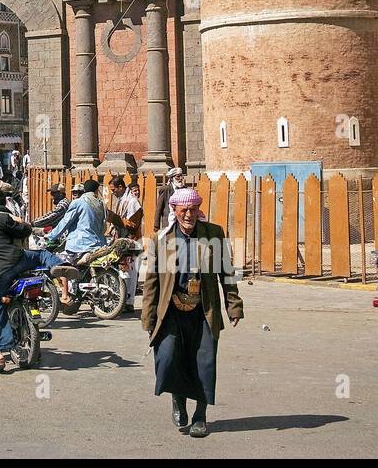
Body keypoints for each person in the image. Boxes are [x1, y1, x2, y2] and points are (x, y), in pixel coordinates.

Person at [141, 186, 243, 438]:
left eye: (194, 209)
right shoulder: (162, 240)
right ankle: (177, 399)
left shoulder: (213, 234)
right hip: (172, 310)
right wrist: (149, 317)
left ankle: (200, 416)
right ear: (174, 210)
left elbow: (226, 273)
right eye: (184, 210)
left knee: (204, 362)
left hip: (203, 309)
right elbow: (152, 282)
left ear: (199, 210)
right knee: (168, 356)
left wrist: (234, 305)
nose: (189, 215)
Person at [0, 191, 63, 374]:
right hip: (16, 262)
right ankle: (59, 266)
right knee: (42, 255)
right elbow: (24, 230)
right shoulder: (0, 219)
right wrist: (21, 222)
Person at [48, 178, 108, 308]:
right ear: (96, 190)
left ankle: (64, 295)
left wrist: (51, 236)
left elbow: (65, 222)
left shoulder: (78, 202)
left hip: (80, 244)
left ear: (84, 190)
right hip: (99, 243)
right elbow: (104, 226)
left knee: (61, 262)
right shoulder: (101, 204)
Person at [110, 176, 144, 311]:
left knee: (131, 272)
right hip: (121, 241)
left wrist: (115, 219)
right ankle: (123, 300)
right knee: (124, 271)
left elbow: (133, 224)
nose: (112, 192)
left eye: (113, 189)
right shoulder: (121, 201)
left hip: (131, 241)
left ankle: (128, 302)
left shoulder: (133, 202)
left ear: (121, 187)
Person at [155, 166, 186, 231]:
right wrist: (156, 225)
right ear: (172, 178)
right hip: (168, 222)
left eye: (181, 176)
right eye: (177, 177)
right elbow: (159, 208)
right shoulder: (165, 190)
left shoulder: (184, 189)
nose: (180, 179)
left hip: (181, 222)